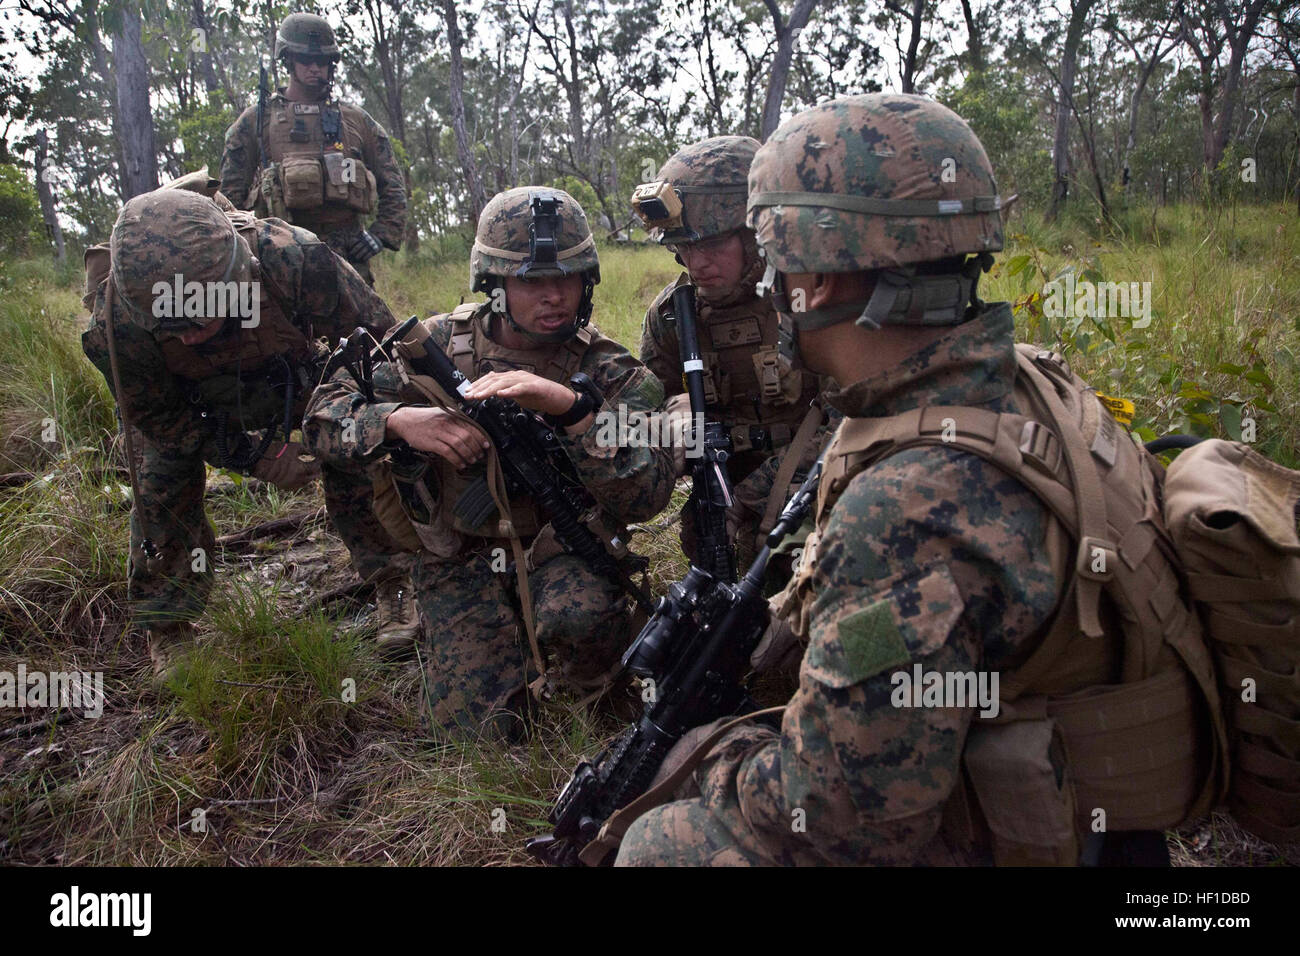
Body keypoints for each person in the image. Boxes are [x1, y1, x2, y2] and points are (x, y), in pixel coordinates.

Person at [613, 94, 1221, 866]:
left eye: (772, 252)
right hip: (1102, 817)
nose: (762, 276)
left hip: (1036, 835)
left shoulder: (904, 508)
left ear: (821, 282)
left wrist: (717, 757)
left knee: (656, 847)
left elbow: (843, 826)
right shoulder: (1037, 382)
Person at [303, 187, 674, 737]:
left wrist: (571, 411)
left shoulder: (610, 370)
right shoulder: (432, 347)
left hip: (561, 548)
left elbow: (647, 496)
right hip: (458, 553)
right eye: (531, 281)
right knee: (479, 733)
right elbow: (323, 419)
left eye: (566, 279)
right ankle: (416, 600)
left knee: (588, 657)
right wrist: (401, 421)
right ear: (494, 284)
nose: (554, 298)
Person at [81, 185, 417, 678]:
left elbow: (384, 353)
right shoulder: (115, 325)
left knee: (356, 434)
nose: (188, 333)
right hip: (196, 406)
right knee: (159, 475)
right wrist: (255, 459)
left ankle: (395, 579)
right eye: (170, 324)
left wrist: (343, 421)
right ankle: (168, 624)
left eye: (200, 314)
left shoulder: (295, 260)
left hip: (300, 380)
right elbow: (161, 421)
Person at [634, 136, 827, 570]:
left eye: (711, 244)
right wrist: (673, 415)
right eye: (683, 247)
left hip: (814, 479)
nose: (695, 262)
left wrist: (755, 494)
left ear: (757, 234)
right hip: (725, 486)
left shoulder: (809, 295)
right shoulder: (671, 314)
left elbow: (855, 422)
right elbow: (640, 411)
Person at [220, 12, 406, 284]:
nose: (315, 68)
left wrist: (381, 234)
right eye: (306, 60)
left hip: (347, 260)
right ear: (288, 61)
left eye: (322, 61)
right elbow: (229, 198)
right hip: (279, 260)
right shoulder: (256, 121)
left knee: (365, 328)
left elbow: (393, 185)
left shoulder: (356, 121)